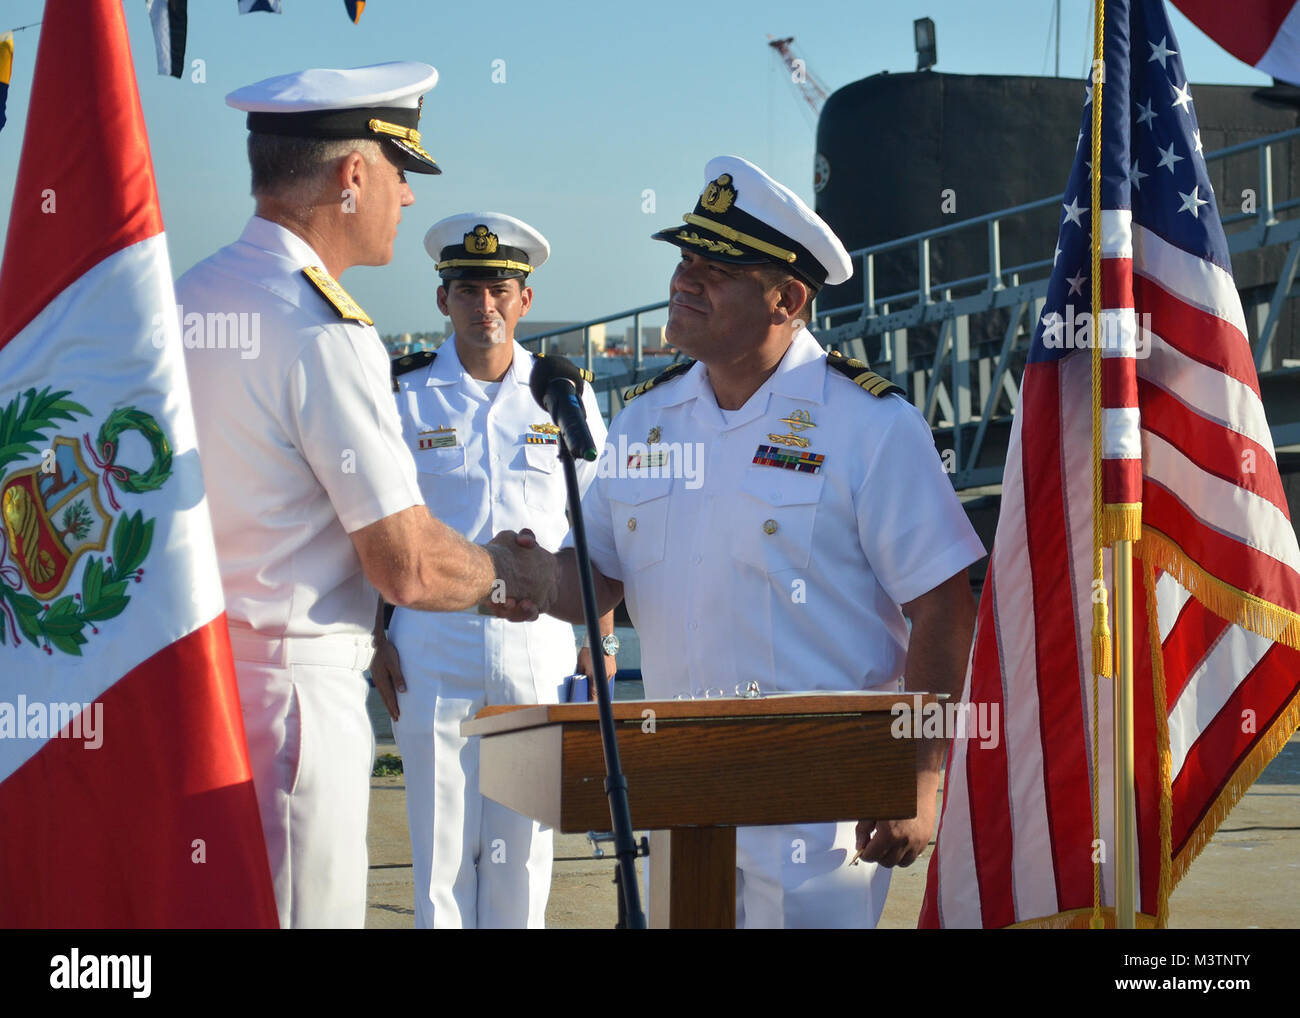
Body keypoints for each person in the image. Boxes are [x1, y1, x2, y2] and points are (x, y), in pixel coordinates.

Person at [500, 155, 985, 928]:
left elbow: (945, 610)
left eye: (715, 269)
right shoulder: (644, 421)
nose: (684, 280)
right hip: (676, 790)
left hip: (818, 807)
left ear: (787, 299)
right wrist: (515, 574)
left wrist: (916, 780)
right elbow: (594, 579)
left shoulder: (867, 424)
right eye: (685, 259)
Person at [175, 64, 555, 929]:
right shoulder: (321, 327)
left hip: (193, 694)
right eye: (401, 173)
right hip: (292, 704)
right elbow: (407, 563)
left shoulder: (191, 296)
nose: (407, 200)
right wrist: (511, 577)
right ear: (353, 177)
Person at [369, 212, 614, 928]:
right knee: (441, 865)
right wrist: (371, 638)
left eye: (500, 289)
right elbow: (367, 528)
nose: (485, 305)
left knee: (524, 866)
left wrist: (600, 643)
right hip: (431, 647)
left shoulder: (565, 398)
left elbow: (591, 529)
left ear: (524, 299)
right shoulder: (402, 395)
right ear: (442, 299)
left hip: (536, 651)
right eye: (468, 289)